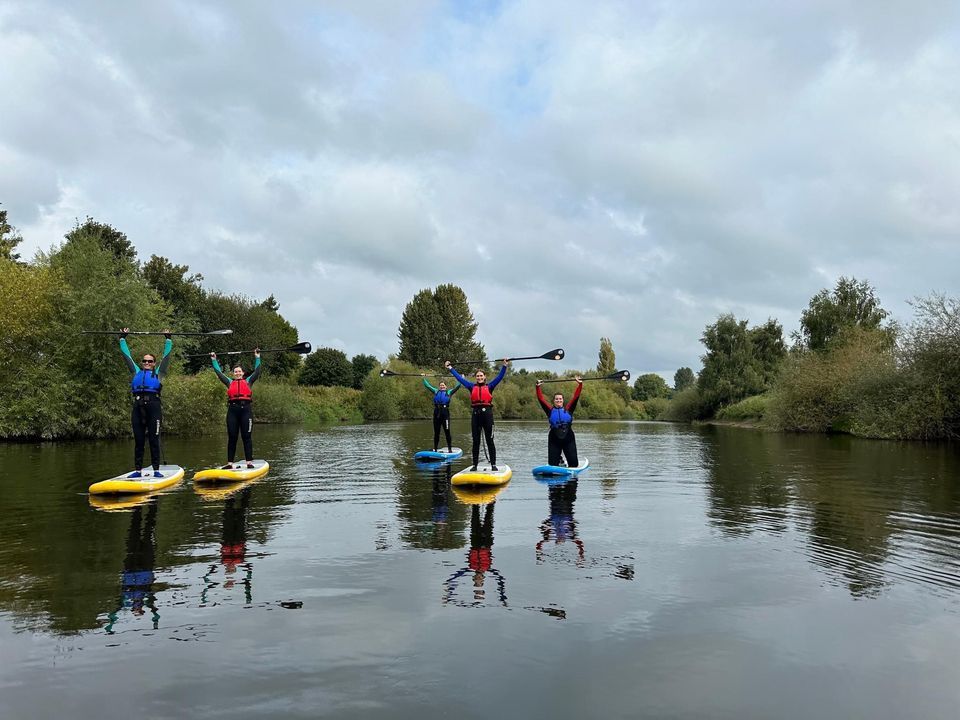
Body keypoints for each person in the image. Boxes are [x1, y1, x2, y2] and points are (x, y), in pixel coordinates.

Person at [119, 328, 172, 478]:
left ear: (154, 363)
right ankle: (138, 471)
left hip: (154, 408)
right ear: (142, 363)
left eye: (150, 361)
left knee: (154, 440)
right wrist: (122, 338)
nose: (147, 363)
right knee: (139, 440)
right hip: (137, 407)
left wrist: (168, 339)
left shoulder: (159, 373)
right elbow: (126, 356)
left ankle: (156, 470)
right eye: (144, 361)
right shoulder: (136, 372)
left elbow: (166, 357)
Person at [445, 359, 509, 471]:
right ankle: (475, 465)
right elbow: (459, 378)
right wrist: (450, 368)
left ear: (485, 377)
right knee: (476, 441)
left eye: (481, 376)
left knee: (490, 440)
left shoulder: (490, 386)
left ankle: (493, 465)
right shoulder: (471, 386)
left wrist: (504, 366)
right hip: (476, 416)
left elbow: (499, 377)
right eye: (477, 376)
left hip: (488, 416)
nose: (479, 377)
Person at [210, 349, 262, 469]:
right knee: (232, 437)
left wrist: (257, 357)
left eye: (239, 371)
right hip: (233, 411)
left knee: (246, 437)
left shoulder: (248, 381)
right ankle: (230, 464)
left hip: (246, 411)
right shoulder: (229, 382)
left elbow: (257, 371)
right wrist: (214, 360)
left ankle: (249, 462)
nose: (237, 373)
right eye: (235, 372)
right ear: (233, 373)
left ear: (243, 373)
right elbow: (219, 373)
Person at [536, 376, 583, 467]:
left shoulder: (569, 409)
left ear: (563, 400)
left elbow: (576, 397)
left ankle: (564, 463)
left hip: (568, 439)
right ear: (554, 401)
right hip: (554, 439)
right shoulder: (550, 410)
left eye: (560, 399)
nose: (558, 400)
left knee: (574, 464)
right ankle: (559, 461)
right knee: (552, 465)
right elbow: (541, 399)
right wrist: (537, 387)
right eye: (556, 399)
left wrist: (580, 384)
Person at [421, 376, 461, 452]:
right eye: (440, 385)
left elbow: (458, 386)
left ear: (446, 386)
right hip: (436, 413)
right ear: (439, 386)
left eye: (443, 385)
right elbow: (428, 386)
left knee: (447, 431)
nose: (442, 386)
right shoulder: (436, 391)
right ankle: (435, 449)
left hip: (445, 413)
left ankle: (450, 449)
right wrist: (423, 378)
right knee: (436, 432)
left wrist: (461, 378)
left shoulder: (449, 392)